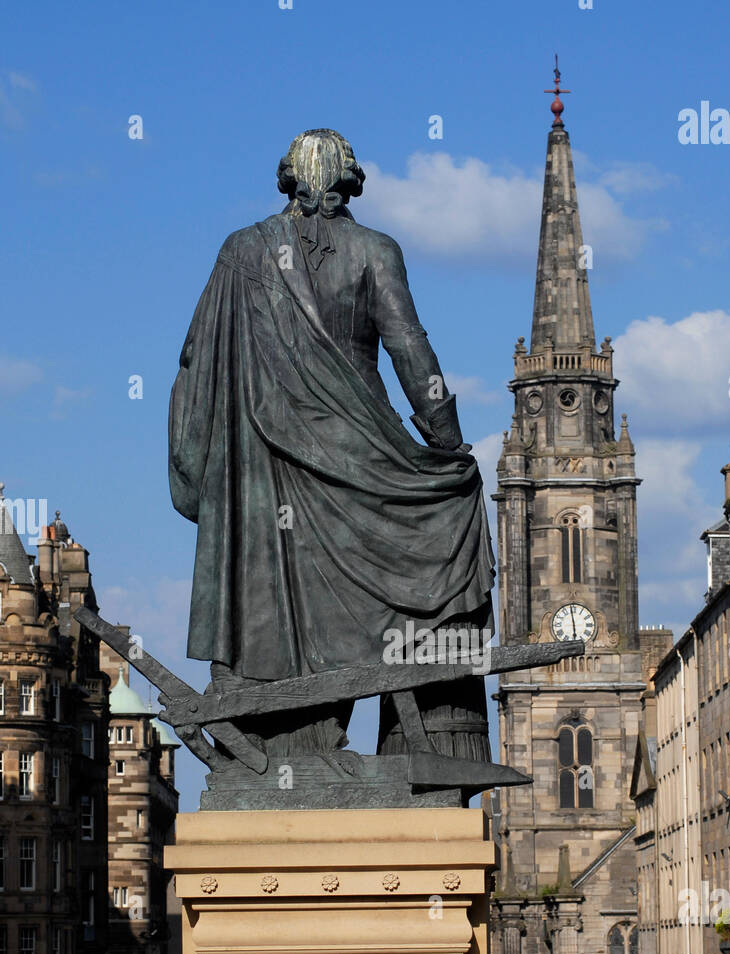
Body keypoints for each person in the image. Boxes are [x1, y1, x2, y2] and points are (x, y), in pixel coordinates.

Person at [169, 126, 494, 767]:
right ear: (350, 179)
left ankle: (287, 730)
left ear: (289, 177)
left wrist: (198, 458)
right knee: (451, 505)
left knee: (277, 586)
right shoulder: (374, 249)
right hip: (357, 450)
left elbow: (194, 365)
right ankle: (359, 722)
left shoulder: (242, 251)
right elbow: (411, 351)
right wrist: (449, 445)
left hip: (264, 457)